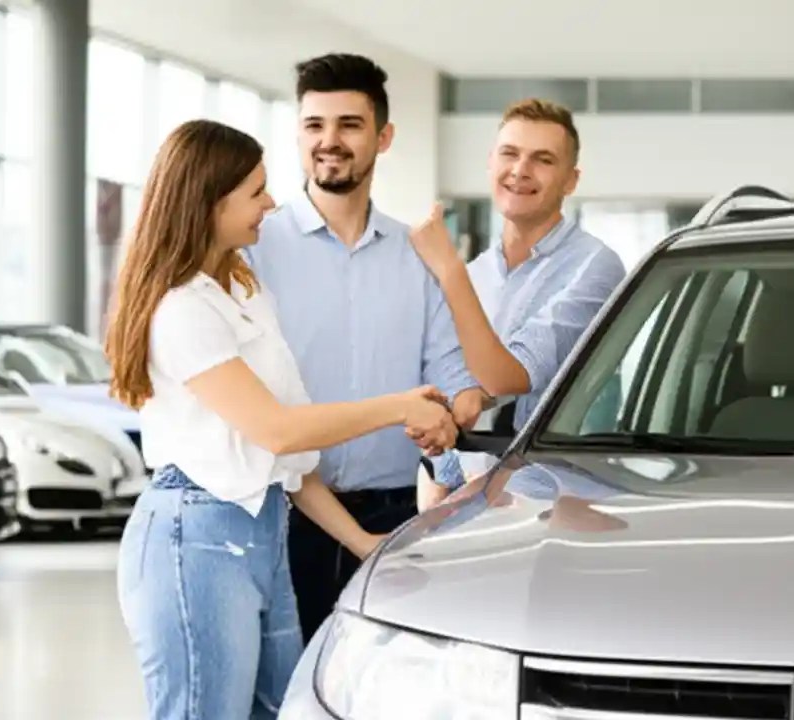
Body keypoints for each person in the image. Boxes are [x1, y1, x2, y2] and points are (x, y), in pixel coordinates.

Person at [105, 119, 457, 719]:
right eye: (256, 192)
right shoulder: (182, 310)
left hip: (262, 530)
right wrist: (399, 406)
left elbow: (286, 458)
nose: (271, 203)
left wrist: (361, 542)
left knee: (282, 709)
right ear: (208, 201)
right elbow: (278, 430)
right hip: (196, 537)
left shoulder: (241, 290)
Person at [242, 53, 485, 643]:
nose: (330, 141)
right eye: (314, 125)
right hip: (277, 512)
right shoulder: (250, 247)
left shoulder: (416, 251)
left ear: (384, 136)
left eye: (349, 125)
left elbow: (453, 378)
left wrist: (450, 419)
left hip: (394, 514)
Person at [407, 98, 627, 508]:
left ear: (570, 180)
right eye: (510, 154)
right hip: (468, 504)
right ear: (491, 163)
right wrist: (439, 485)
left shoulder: (595, 267)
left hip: (555, 510)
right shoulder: (475, 274)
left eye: (543, 159)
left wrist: (446, 269)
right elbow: (454, 398)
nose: (521, 170)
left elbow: (504, 378)